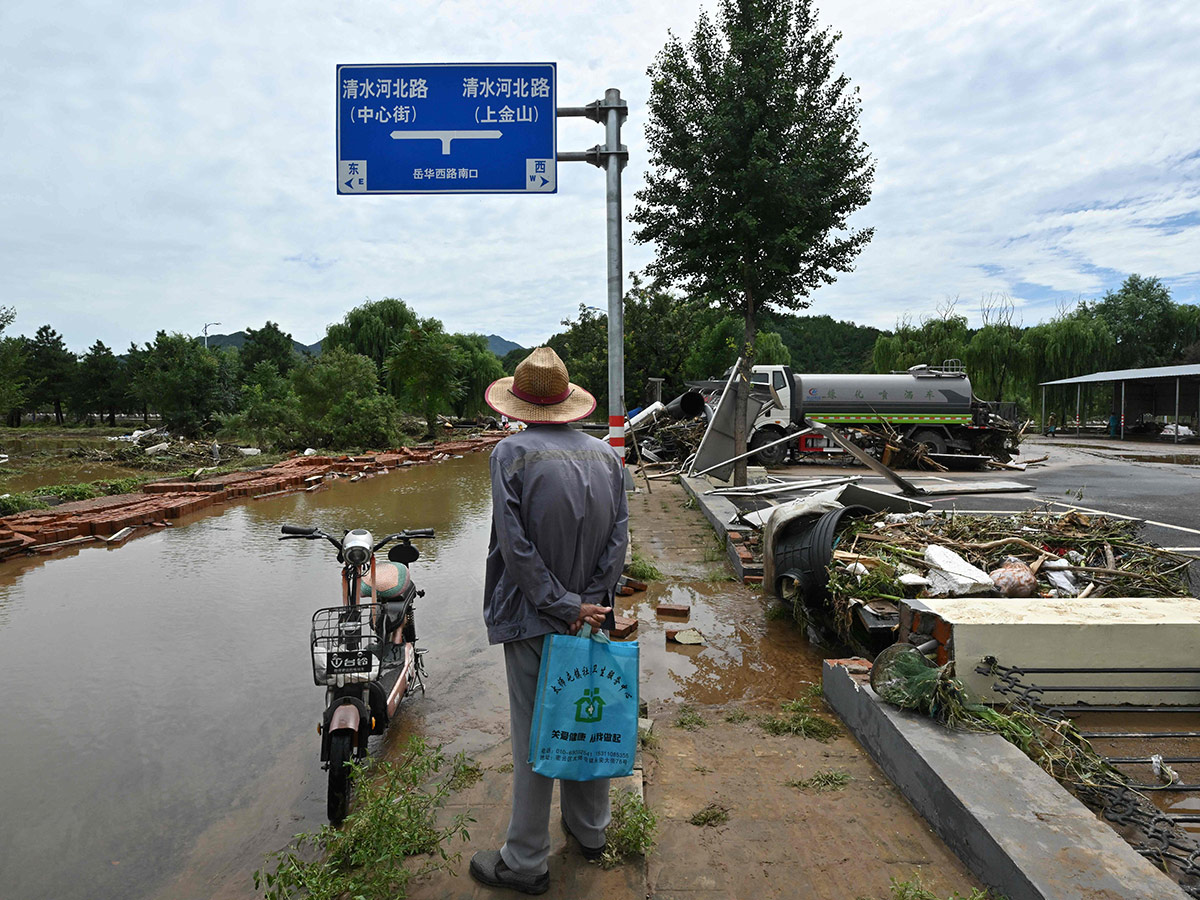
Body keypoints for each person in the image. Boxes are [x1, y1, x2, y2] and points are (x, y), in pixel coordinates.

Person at [470, 346, 628, 895]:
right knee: (587, 723)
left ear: (519, 404)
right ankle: (591, 832)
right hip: (593, 616)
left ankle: (526, 861)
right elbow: (618, 542)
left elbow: (515, 549)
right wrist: (590, 605)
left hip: (536, 619)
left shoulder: (510, 454)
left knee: (536, 735)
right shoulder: (607, 458)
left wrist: (562, 604)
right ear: (567, 404)